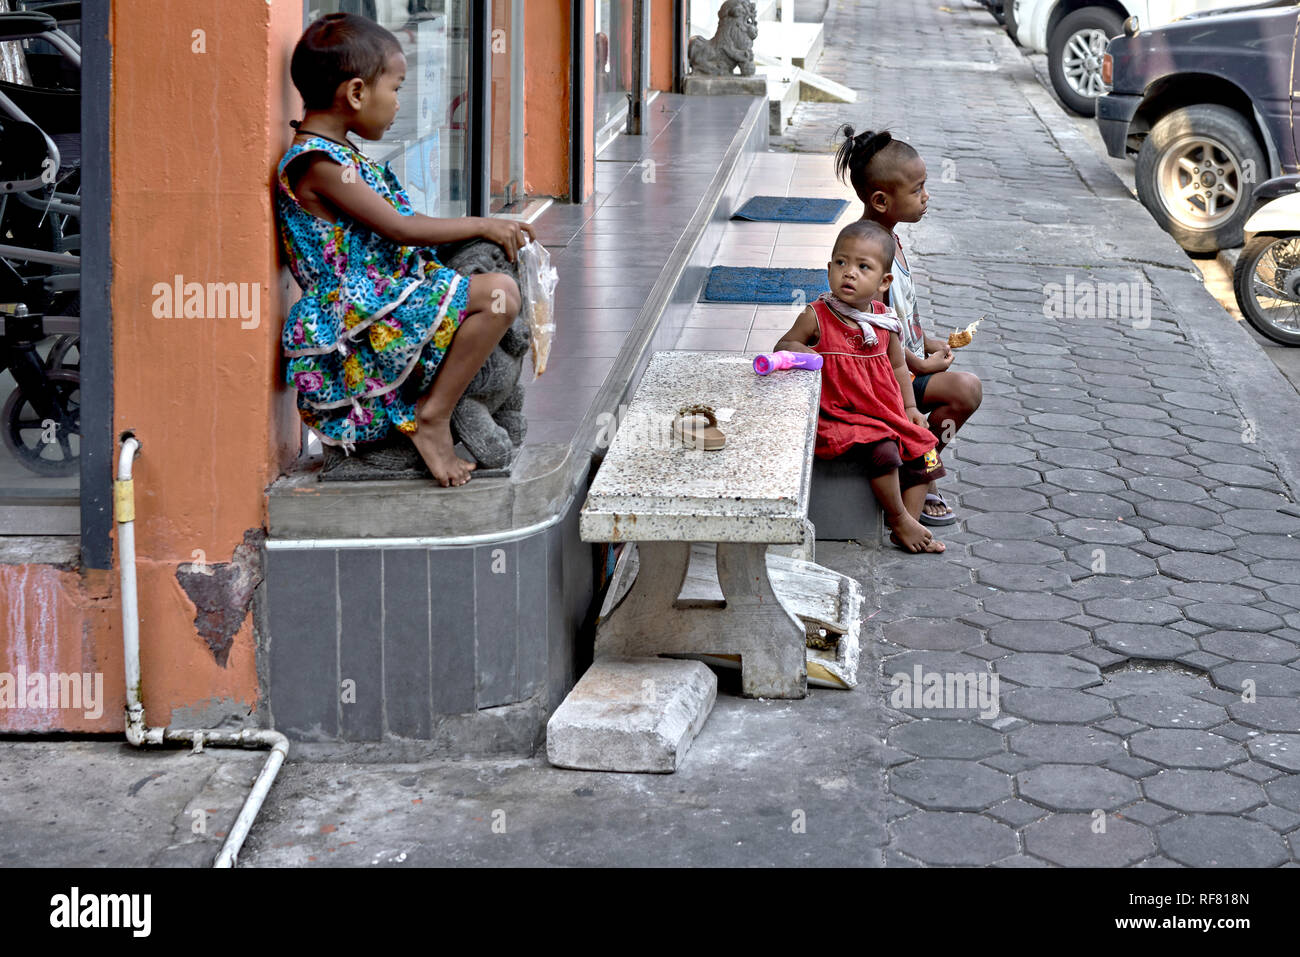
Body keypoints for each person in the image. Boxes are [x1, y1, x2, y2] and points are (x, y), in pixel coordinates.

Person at [276, 12, 535, 487]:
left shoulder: (341, 154)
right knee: (501, 295)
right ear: (355, 93)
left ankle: (440, 412)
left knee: (492, 280)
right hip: (358, 313)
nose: (400, 103)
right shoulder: (319, 163)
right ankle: (433, 416)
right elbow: (400, 227)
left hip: (385, 295)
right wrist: (483, 222)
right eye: (395, 89)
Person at [834, 125, 983, 526]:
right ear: (882, 200)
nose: (926, 196)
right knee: (966, 390)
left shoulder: (891, 240)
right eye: (917, 189)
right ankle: (923, 467)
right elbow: (876, 339)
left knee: (961, 388)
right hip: (884, 379)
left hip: (904, 364)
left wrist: (929, 341)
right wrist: (922, 366)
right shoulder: (867, 254)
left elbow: (898, 321)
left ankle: (919, 464)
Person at [774, 221, 946, 554]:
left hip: (883, 411)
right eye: (841, 263)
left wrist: (910, 409)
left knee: (925, 449)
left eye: (862, 267)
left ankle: (908, 521)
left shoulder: (885, 321)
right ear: (828, 269)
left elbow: (898, 367)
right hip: (839, 415)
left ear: (884, 281)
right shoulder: (819, 315)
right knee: (884, 450)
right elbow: (785, 343)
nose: (849, 273)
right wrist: (804, 351)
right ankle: (898, 518)